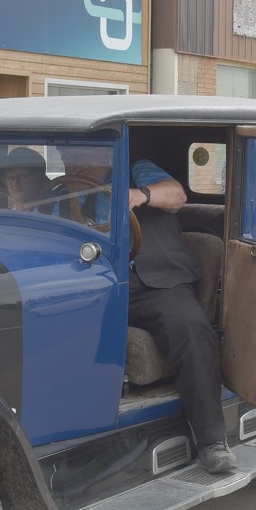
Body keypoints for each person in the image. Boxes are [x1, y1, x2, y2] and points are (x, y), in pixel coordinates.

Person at [57, 144, 234, 474]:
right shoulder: (63, 195)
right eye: (66, 156)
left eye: (76, 155)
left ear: (100, 155)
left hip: (158, 281)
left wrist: (141, 196)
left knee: (191, 330)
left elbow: (176, 196)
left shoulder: (136, 168)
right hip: (100, 285)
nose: (70, 163)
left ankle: (212, 440)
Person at [1, 147, 58, 212]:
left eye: (22, 177)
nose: (15, 183)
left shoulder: (55, 213)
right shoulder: (2, 217)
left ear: (38, 180)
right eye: (10, 178)